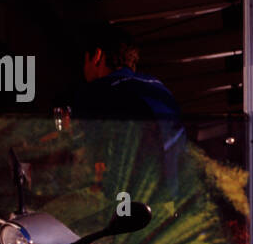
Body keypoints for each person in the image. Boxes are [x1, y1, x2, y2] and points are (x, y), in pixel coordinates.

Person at [67, 24, 186, 188]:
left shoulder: (96, 91)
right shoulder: (159, 89)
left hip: (125, 200)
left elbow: (82, 158)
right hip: (170, 197)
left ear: (97, 56)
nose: (84, 68)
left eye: (85, 60)